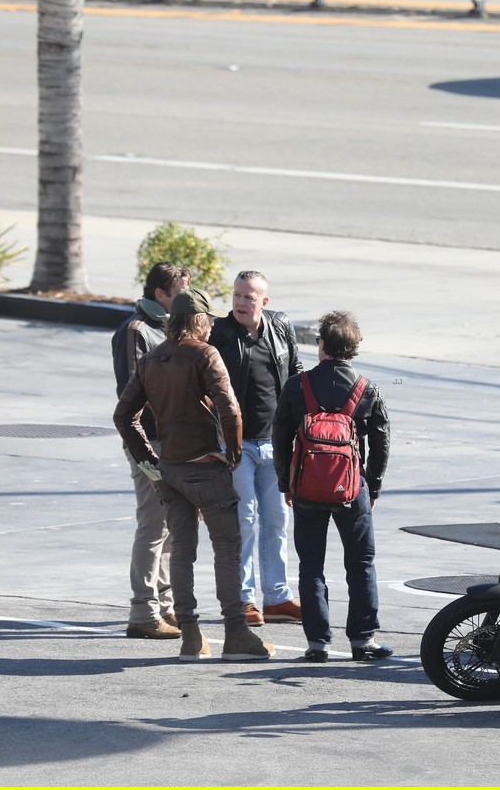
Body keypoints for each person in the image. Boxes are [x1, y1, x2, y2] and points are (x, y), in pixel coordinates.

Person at [114, 288, 274, 662]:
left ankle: (190, 635)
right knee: (227, 547)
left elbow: (124, 416)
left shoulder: (152, 359)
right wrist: (232, 455)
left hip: (169, 469)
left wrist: (150, 461)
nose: (212, 327)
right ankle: (236, 633)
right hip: (204, 466)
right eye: (209, 320)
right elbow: (230, 409)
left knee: (183, 551)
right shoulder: (205, 354)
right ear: (200, 321)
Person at [273, 310, 392, 663]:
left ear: (322, 344)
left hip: (307, 487)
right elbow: (382, 443)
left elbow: (280, 437)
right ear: (354, 347)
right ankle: (363, 640)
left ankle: (318, 644)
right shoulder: (367, 388)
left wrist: (286, 483)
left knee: (311, 565)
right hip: (352, 488)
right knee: (361, 563)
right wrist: (373, 487)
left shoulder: (298, 386)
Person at [209, 270, 303, 629]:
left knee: (277, 521)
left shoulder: (280, 327)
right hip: (237, 445)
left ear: (264, 301)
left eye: (249, 297)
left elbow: (295, 375)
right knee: (244, 521)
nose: (240, 302)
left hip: (275, 444)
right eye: (237, 295)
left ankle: (277, 598)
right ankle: (244, 598)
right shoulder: (220, 333)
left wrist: (300, 429)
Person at [111, 262, 190, 640]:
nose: (186, 299)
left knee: (172, 527)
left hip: (172, 441)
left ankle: (165, 605)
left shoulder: (168, 329)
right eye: (181, 292)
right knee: (154, 524)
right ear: (160, 294)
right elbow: (132, 395)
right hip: (149, 443)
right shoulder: (136, 331)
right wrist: (148, 449)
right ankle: (143, 611)